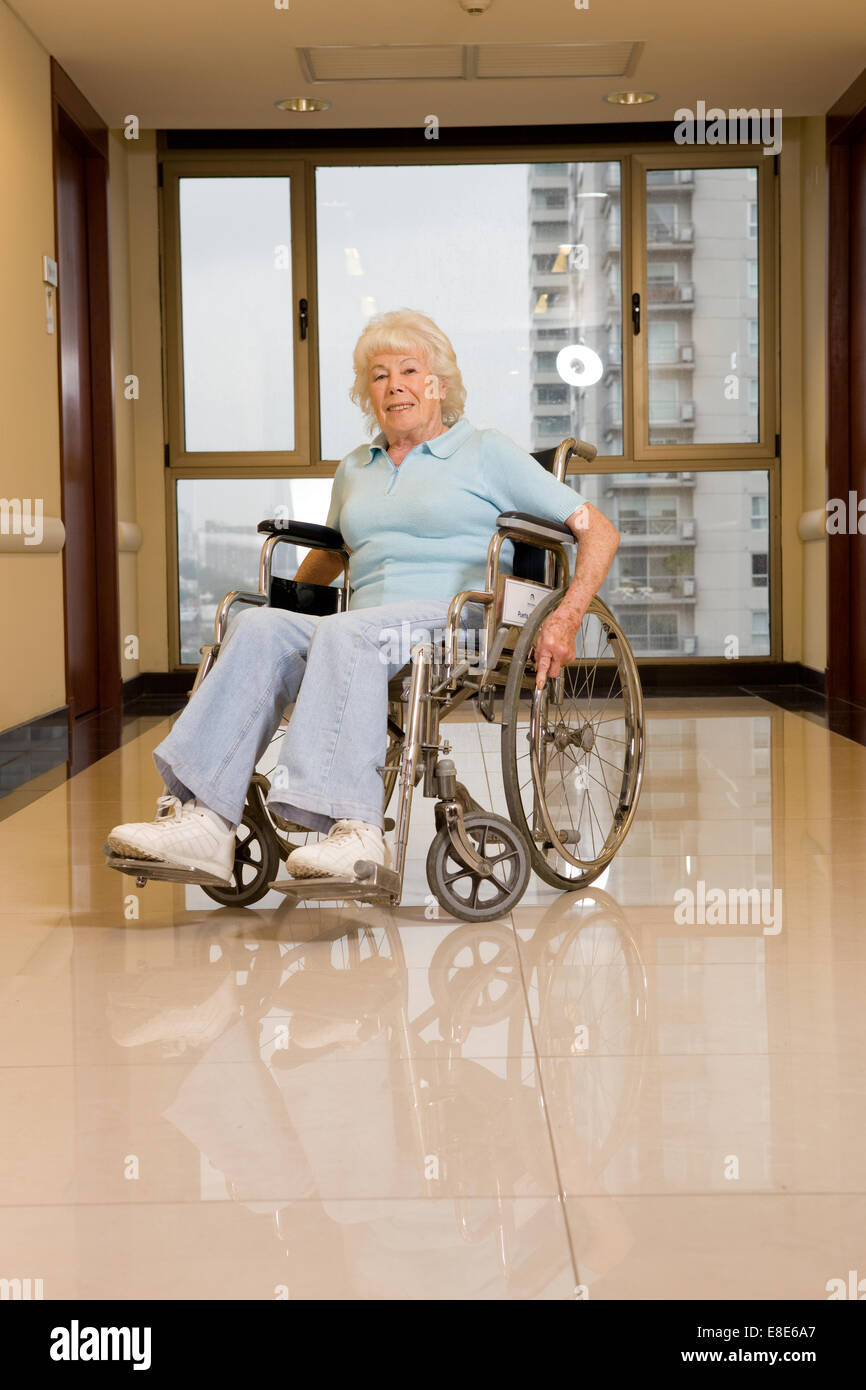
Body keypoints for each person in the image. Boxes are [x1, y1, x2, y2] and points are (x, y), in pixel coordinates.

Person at [107, 309, 620, 884]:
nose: (394, 385)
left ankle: (357, 831)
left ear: (438, 385)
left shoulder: (486, 452)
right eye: (379, 375)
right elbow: (334, 553)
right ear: (367, 394)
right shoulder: (356, 467)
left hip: (455, 624)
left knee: (348, 633)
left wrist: (565, 617)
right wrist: (285, 613)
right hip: (359, 628)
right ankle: (205, 821)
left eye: (409, 371)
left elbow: (598, 531)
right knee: (257, 627)